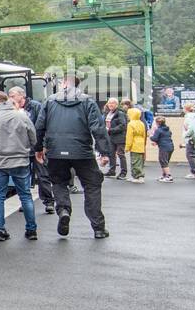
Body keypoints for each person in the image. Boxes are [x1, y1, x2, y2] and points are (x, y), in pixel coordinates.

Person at [34, 75, 111, 238]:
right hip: (82, 151)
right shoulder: (87, 101)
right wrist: (104, 152)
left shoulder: (50, 101)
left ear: (63, 84)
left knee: (58, 182)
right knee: (92, 185)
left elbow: (39, 126)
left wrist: (38, 148)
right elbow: (98, 127)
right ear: (78, 85)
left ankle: (63, 210)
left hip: (55, 151)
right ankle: (98, 228)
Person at [0, 90, 38, 241]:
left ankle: (0, 230)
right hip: (20, 161)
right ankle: (31, 230)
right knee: (25, 196)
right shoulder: (22, 116)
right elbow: (33, 138)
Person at [9, 87, 53, 214]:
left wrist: (43, 145)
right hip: (21, 149)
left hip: (36, 146)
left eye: (13, 95)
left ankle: (48, 201)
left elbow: (42, 126)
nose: (10, 98)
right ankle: (25, 202)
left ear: (22, 96)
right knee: (23, 177)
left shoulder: (36, 106)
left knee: (42, 175)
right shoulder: (11, 108)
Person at [102, 97, 128, 179]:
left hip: (119, 137)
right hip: (110, 137)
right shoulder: (108, 113)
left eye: (113, 103)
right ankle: (112, 171)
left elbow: (123, 125)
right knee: (111, 154)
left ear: (116, 104)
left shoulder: (120, 113)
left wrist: (110, 130)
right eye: (109, 103)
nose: (110, 104)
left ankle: (123, 173)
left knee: (121, 154)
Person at [124, 106, 147, 183]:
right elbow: (144, 135)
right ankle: (136, 176)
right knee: (139, 161)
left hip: (134, 144)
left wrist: (127, 147)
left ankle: (138, 177)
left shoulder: (131, 124)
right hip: (141, 144)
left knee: (134, 161)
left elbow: (129, 137)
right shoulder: (141, 123)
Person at [180, 101, 195, 178]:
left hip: (190, 139)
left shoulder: (188, 117)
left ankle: (193, 172)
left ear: (186, 109)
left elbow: (189, 128)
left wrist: (186, 136)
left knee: (189, 155)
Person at [150, 116, 175, 182]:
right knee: (166, 161)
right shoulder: (168, 130)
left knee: (163, 161)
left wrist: (150, 136)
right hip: (171, 146)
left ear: (157, 123)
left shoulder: (158, 130)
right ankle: (164, 175)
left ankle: (169, 176)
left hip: (164, 147)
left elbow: (154, 138)